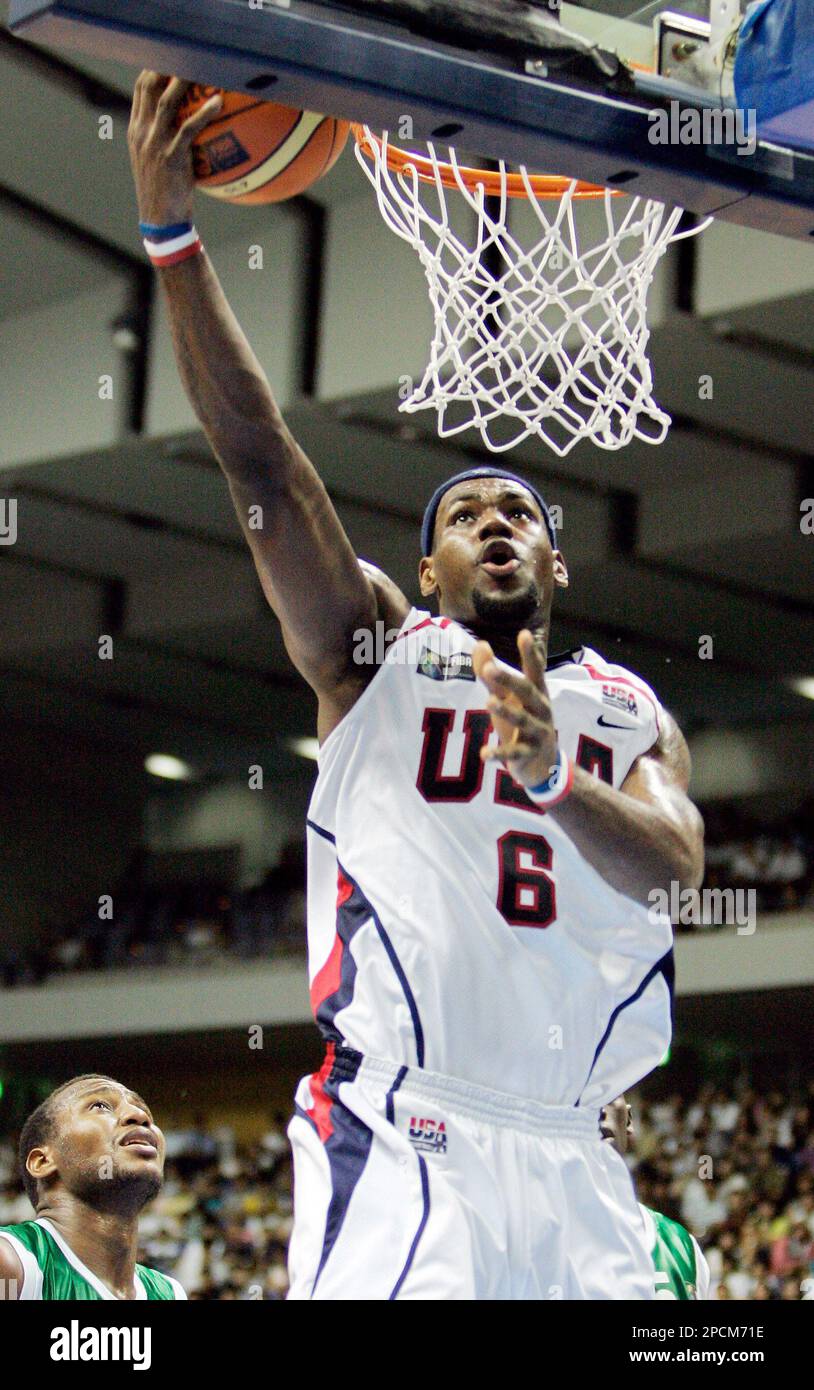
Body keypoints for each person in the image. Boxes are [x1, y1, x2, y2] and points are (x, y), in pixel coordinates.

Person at [127, 74, 705, 1300]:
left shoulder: (628, 706)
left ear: (555, 559)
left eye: (519, 514)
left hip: (578, 1153)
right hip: (405, 1130)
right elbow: (264, 471)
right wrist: (173, 237)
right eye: (464, 514)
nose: (495, 523)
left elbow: (674, 872)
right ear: (428, 565)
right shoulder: (377, 653)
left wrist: (553, 774)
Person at [0, 1074, 185, 1300]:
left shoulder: (170, 1293)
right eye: (100, 1106)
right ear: (43, 1161)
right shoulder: (11, 1264)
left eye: (145, 1112)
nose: (140, 1116)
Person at [601, 1096, 711, 1299]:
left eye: (609, 1092)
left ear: (628, 1119)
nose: (599, 1109)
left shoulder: (679, 1244)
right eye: (584, 1099)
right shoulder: (538, 1237)